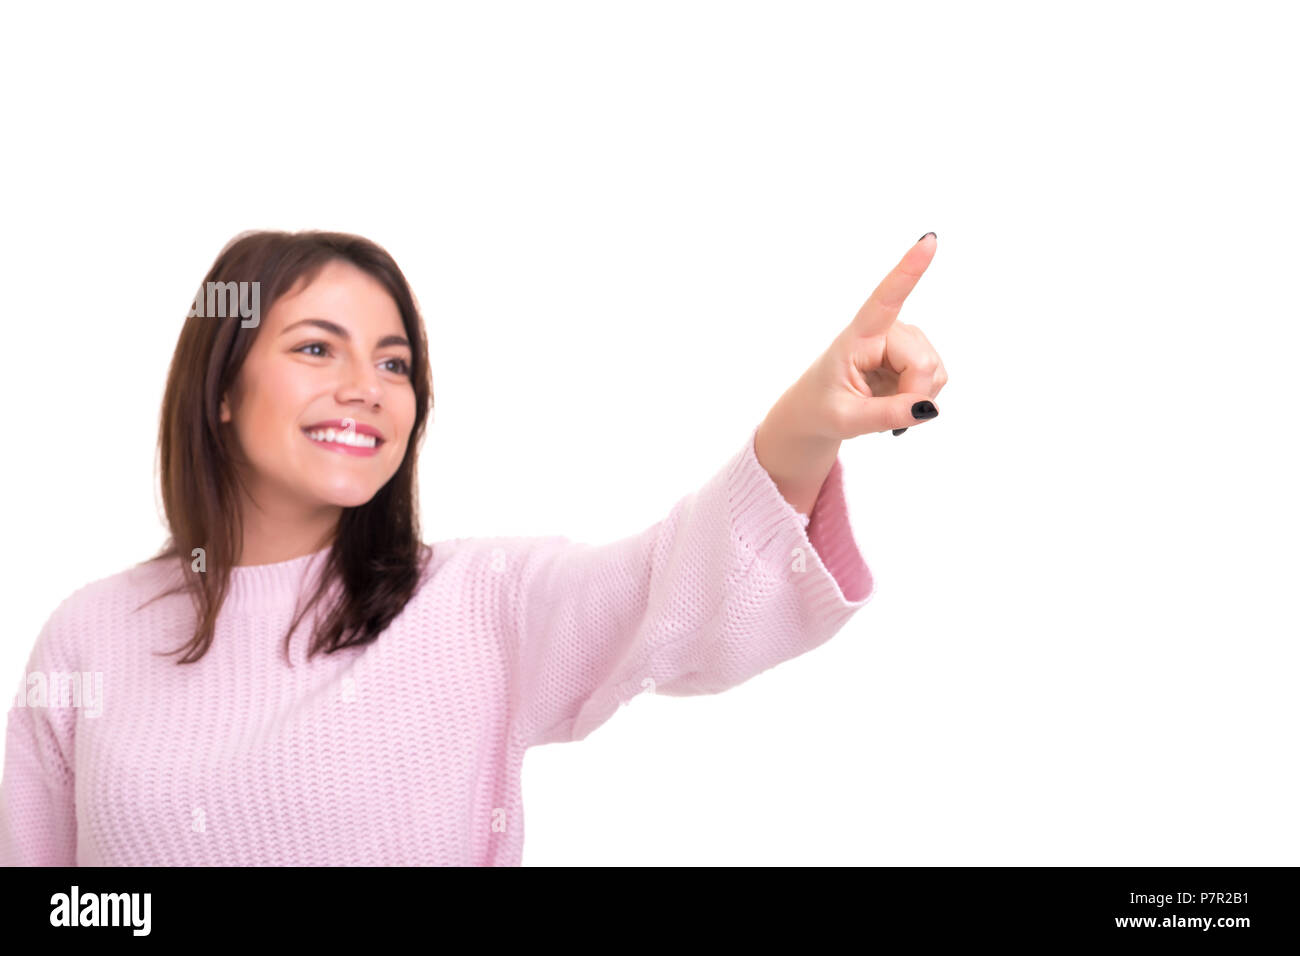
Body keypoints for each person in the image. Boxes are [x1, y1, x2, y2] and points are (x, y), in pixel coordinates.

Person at [0, 228, 947, 866]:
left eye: (395, 361)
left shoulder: (476, 603)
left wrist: (802, 426)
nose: (369, 387)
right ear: (221, 388)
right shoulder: (89, 636)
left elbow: (676, 587)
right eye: (317, 349)